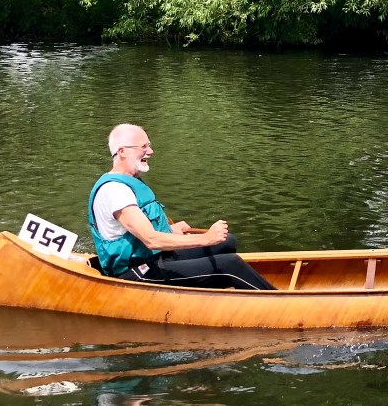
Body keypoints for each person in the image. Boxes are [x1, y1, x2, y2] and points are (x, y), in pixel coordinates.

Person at [87, 123, 275, 290]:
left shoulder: (129, 182)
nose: (150, 151)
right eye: (143, 146)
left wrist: (169, 229)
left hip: (156, 256)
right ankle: (278, 303)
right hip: (136, 273)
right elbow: (151, 240)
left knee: (228, 242)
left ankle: (205, 296)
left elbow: (138, 232)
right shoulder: (115, 191)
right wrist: (207, 238)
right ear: (122, 152)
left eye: (149, 145)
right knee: (230, 264)